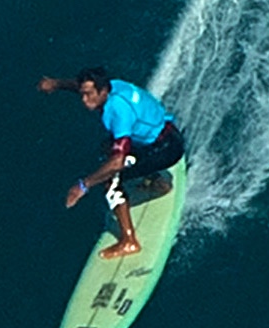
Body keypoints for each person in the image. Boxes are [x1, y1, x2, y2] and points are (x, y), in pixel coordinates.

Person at [40, 67, 186, 259]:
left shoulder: (119, 111)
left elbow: (117, 163)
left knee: (110, 177)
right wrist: (56, 84)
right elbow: (81, 86)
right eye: (83, 94)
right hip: (166, 135)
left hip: (164, 150)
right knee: (108, 149)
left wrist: (83, 185)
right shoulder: (112, 86)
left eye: (89, 95)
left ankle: (129, 241)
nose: (84, 100)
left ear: (103, 92)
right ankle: (159, 182)